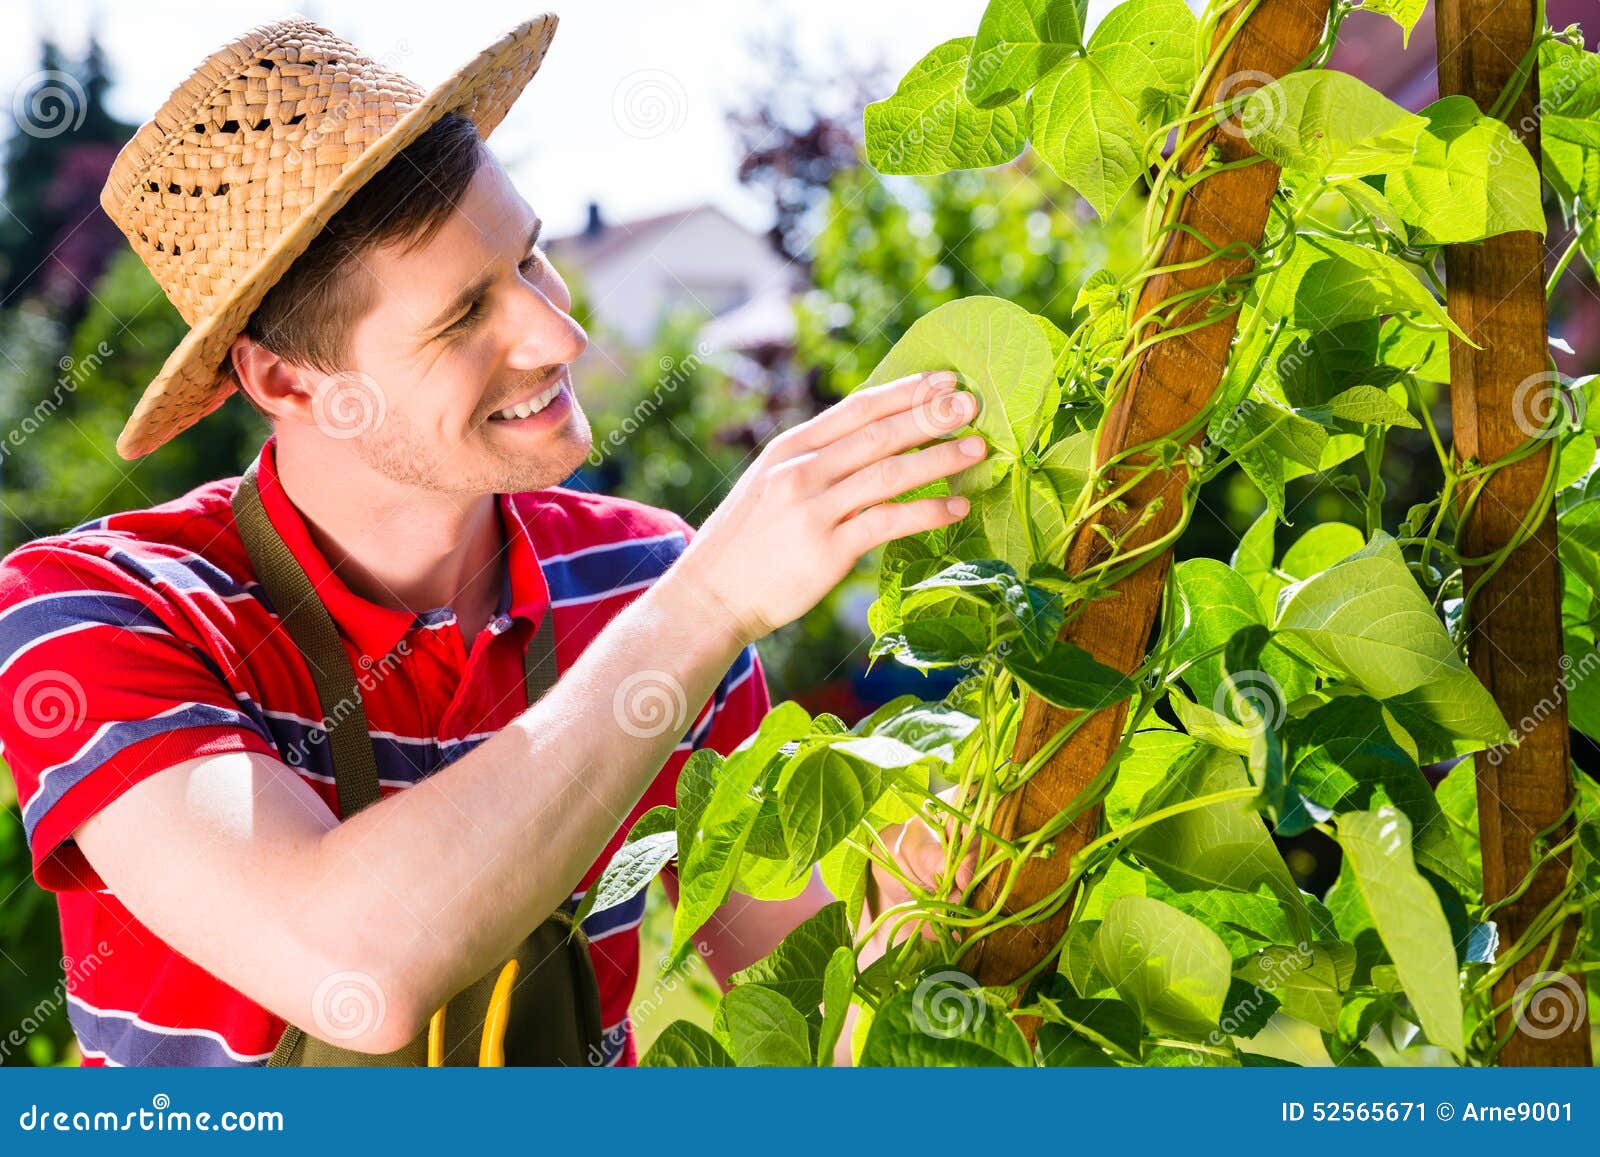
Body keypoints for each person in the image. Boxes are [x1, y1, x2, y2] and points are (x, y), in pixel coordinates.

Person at [0, 14, 986, 1066]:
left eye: (531, 257)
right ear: (290, 382)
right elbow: (353, 968)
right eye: (465, 313)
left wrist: (953, 867)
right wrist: (701, 609)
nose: (559, 333)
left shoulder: (635, 577)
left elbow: (820, 984)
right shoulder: (96, 610)